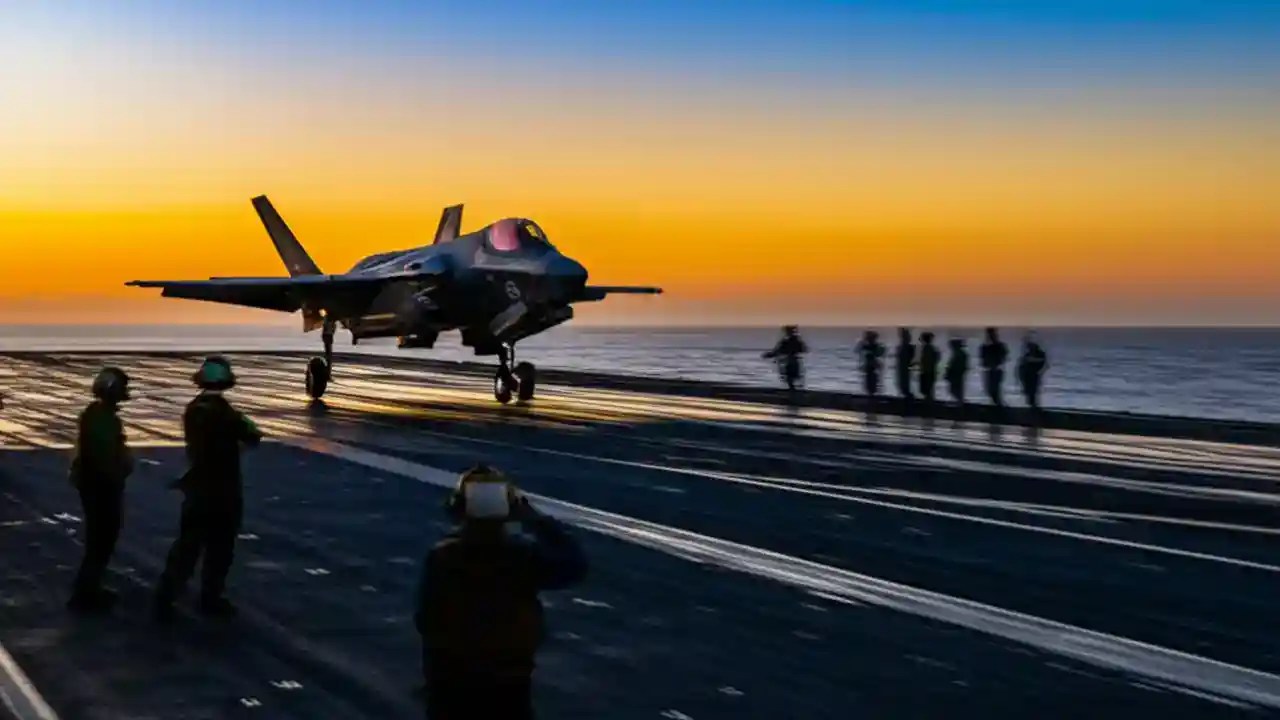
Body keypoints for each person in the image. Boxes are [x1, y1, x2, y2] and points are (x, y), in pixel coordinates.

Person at [416, 465, 587, 720]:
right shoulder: (521, 558)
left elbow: (426, 620)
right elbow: (574, 565)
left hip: (451, 684)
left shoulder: (443, 558)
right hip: (509, 683)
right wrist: (536, 520)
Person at [154, 356, 263, 621]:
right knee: (220, 548)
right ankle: (210, 598)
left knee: (187, 546)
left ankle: (166, 596)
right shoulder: (227, 413)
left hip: (198, 487)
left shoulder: (193, 410)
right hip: (223, 490)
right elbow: (252, 434)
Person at [67, 367, 134, 614]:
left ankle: (89, 588)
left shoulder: (96, 414)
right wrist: (120, 470)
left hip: (95, 484)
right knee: (101, 540)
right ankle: (85, 593)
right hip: (102, 486)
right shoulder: (102, 418)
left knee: (100, 540)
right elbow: (105, 455)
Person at [763, 325, 807, 391]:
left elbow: (778, 351)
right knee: (793, 376)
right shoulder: (796, 340)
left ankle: (792, 391)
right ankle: (793, 390)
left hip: (789, 361)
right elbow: (803, 349)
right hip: (793, 360)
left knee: (790, 376)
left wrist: (769, 355)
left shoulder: (787, 341)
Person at [1018, 334, 1049, 410]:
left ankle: (1034, 406)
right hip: (1027, 375)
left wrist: (1039, 372)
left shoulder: (1040, 354)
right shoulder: (1028, 354)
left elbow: (1044, 364)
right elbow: (1022, 365)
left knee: (1033, 391)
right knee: (1029, 392)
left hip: (1034, 375)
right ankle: (1032, 405)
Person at [979, 327, 1009, 407]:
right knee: (990, 390)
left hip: (996, 370)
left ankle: (998, 405)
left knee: (994, 389)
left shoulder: (998, 346)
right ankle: (998, 405)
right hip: (991, 370)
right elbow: (983, 359)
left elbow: (1004, 357)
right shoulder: (986, 347)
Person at [856, 331, 886, 398]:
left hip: (873, 369)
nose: (870, 340)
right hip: (869, 369)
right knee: (870, 386)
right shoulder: (866, 346)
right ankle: (871, 395)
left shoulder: (875, 346)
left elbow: (881, 351)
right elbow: (858, 349)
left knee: (873, 385)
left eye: (871, 338)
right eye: (869, 338)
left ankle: (872, 395)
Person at [917, 332, 941, 403]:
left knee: (926, 390)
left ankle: (928, 404)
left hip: (926, 372)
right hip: (930, 371)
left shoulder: (926, 348)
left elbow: (924, 361)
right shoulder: (932, 348)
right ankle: (929, 403)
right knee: (929, 390)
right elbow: (936, 358)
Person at [945, 338, 969, 405]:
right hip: (957, 375)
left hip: (956, 375)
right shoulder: (960, 354)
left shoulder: (959, 354)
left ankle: (960, 402)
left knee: (955, 389)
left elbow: (954, 365)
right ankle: (960, 402)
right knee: (956, 389)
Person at [894, 328, 916, 400]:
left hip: (904, 367)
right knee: (904, 382)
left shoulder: (902, 347)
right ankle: (907, 396)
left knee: (904, 382)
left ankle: (906, 395)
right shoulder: (905, 347)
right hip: (904, 367)